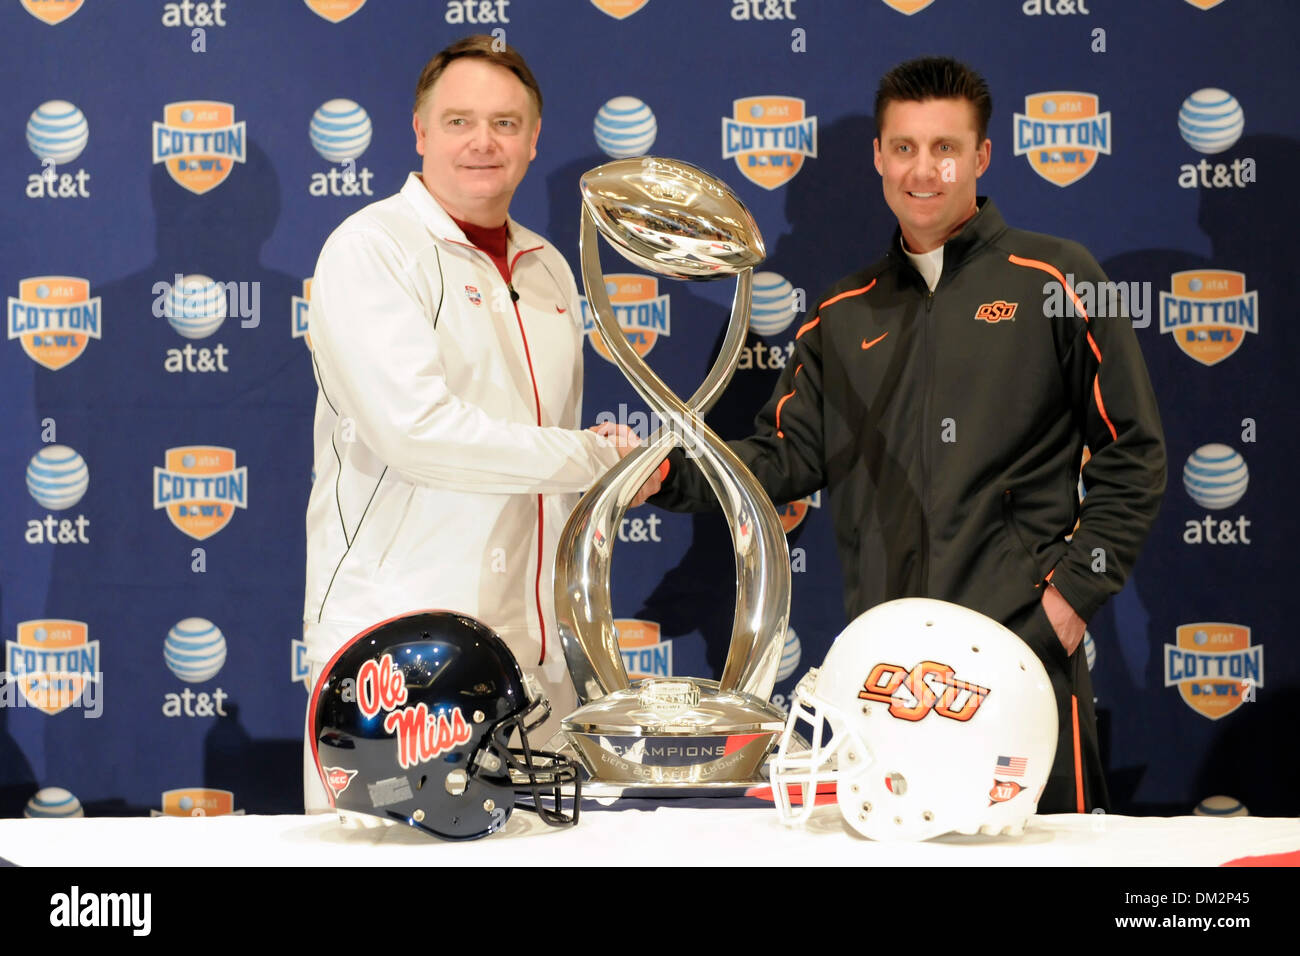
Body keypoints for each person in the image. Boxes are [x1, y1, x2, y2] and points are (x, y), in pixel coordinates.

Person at [648, 57, 1166, 814]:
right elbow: (785, 457)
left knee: (1041, 855)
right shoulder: (843, 312)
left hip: (1019, 647)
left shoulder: (1058, 278)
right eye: (905, 147)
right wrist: (670, 476)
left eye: (946, 147)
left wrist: (1072, 595)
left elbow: (1133, 451)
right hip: (886, 663)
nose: (924, 170)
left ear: (982, 155)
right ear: (880, 157)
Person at [300, 36, 637, 810]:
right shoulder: (372, 248)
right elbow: (417, 433)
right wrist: (593, 459)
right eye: (458, 121)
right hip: (401, 658)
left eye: (505, 124)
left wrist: (611, 475)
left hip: (533, 663)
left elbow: (548, 461)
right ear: (419, 133)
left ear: (533, 140)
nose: (483, 142)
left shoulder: (549, 266)